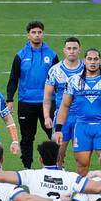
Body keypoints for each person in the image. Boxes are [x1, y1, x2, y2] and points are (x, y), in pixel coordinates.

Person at [52, 48, 101, 177]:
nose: (92, 62)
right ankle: (84, 194)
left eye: (95, 59)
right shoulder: (73, 81)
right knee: (82, 165)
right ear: (84, 61)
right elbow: (64, 106)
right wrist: (59, 129)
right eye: (89, 59)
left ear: (100, 61)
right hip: (81, 127)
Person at [3, 21, 58, 172]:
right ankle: (27, 167)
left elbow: (59, 79)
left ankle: (57, 165)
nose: (37, 35)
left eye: (39, 32)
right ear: (28, 35)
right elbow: (13, 79)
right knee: (27, 137)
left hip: (48, 102)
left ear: (43, 34)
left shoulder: (51, 55)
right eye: (34, 32)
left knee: (54, 135)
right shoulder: (21, 55)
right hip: (26, 103)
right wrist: (9, 99)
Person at [41, 37, 85, 170]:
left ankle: (80, 187)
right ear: (64, 50)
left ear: (79, 50)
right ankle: (59, 183)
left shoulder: (87, 69)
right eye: (69, 48)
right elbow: (47, 97)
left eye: (74, 48)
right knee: (58, 155)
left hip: (81, 118)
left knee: (81, 158)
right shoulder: (55, 70)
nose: (71, 51)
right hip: (62, 119)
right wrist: (47, 116)